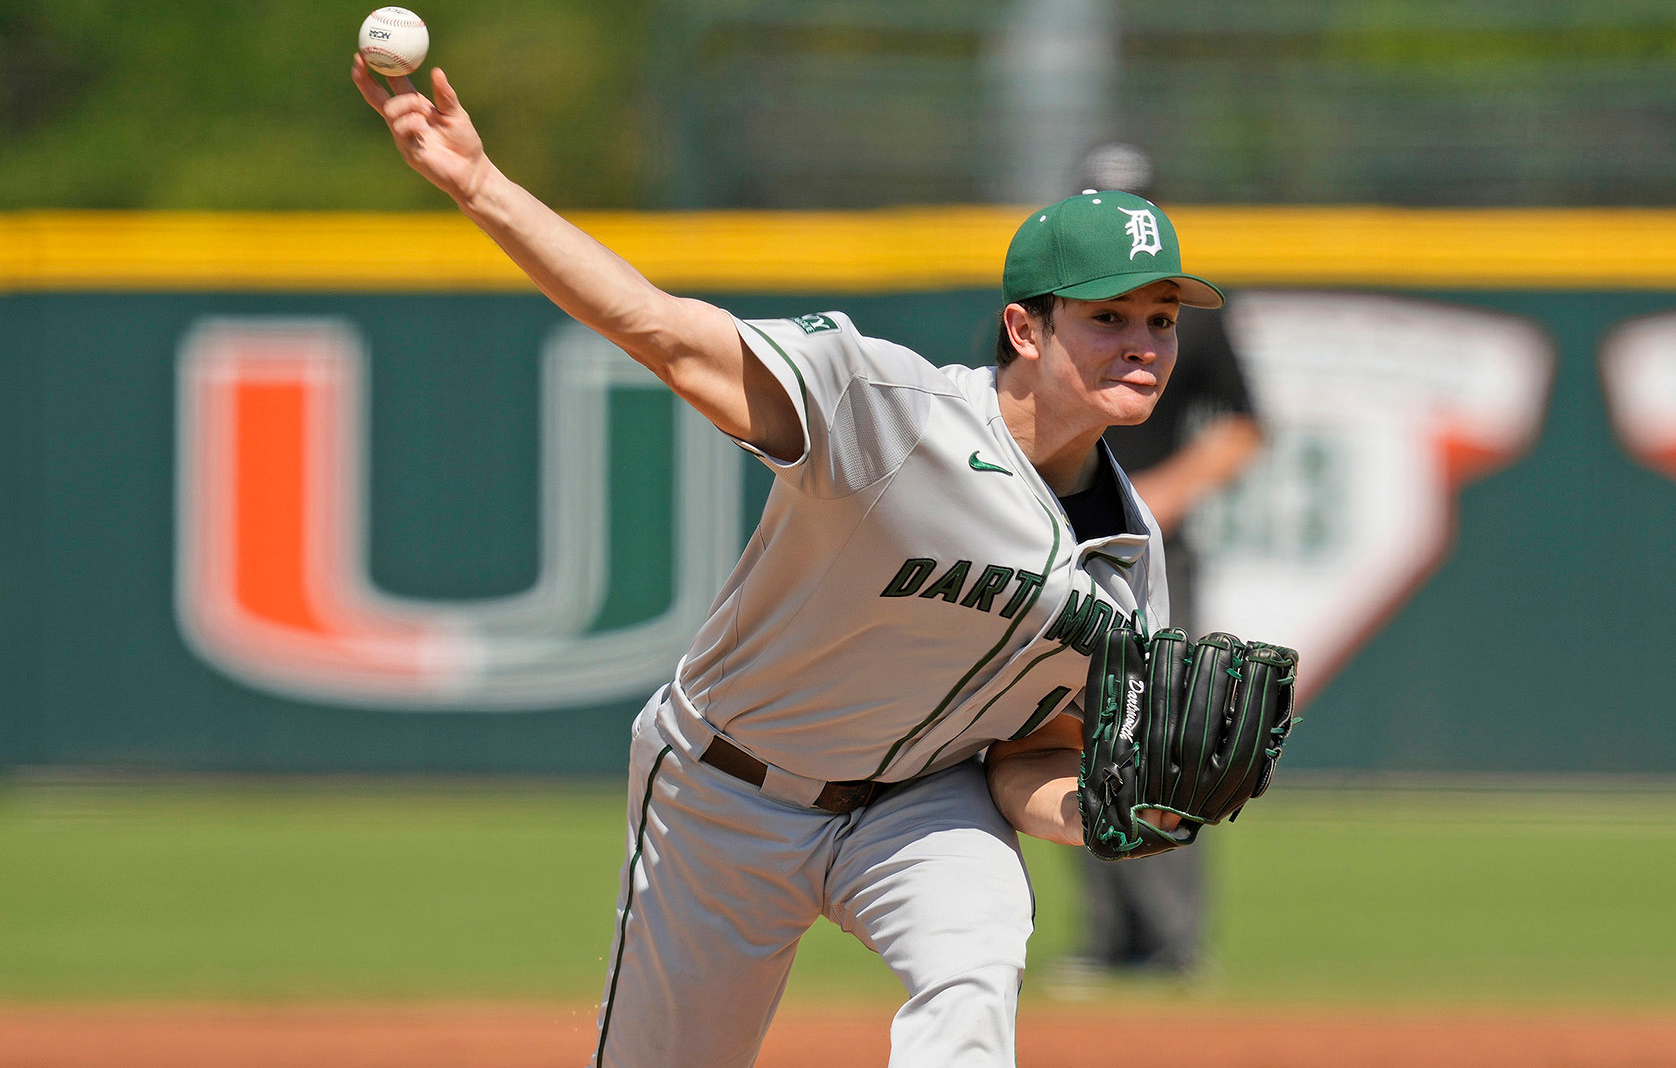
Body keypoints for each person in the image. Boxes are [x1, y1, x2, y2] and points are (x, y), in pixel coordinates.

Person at [353, 58, 1222, 1066]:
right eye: (1107, 316)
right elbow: (665, 334)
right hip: (727, 796)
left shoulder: (1126, 557)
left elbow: (1029, 755)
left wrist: (1103, 813)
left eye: (1161, 320)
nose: (1145, 345)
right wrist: (479, 185)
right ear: (1025, 328)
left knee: (976, 963)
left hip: (919, 805)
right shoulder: (885, 410)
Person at [1065, 143, 1268, 980]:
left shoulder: (1195, 314)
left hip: (1153, 549)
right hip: (1065, 546)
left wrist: (1162, 491)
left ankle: (1175, 943)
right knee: (1072, 734)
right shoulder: (1049, 309)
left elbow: (1244, 424)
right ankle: (1111, 941)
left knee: (1160, 738)